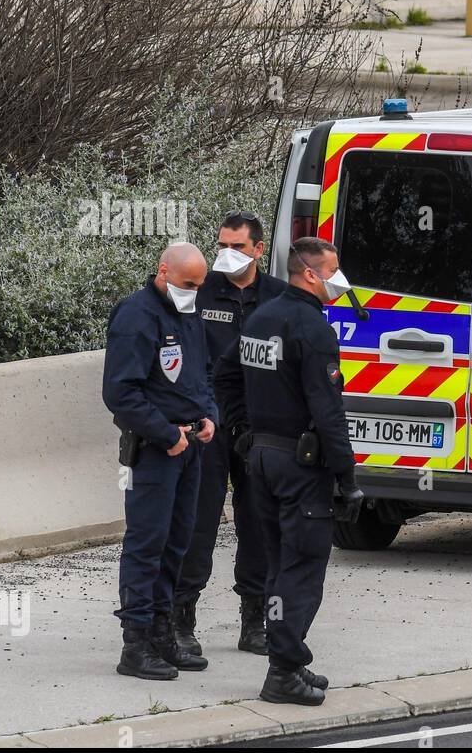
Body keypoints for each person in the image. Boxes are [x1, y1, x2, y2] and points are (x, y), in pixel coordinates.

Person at [214, 236, 363, 705]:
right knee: (301, 566)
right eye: (332, 271)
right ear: (310, 274)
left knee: (279, 562)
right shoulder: (312, 329)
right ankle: (282, 671)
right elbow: (328, 410)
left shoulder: (261, 317)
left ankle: (290, 661)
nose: (339, 280)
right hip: (301, 468)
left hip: (262, 459)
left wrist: (241, 427)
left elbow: (224, 373)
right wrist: (347, 477)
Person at [173, 211, 286, 659]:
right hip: (208, 423)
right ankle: (182, 617)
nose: (228, 254)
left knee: (257, 521)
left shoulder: (279, 297)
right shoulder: (199, 294)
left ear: (259, 249)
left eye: (237, 247)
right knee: (198, 520)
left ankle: (254, 621)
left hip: (259, 424)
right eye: (222, 245)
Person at [103, 242, 217, 680]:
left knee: (177, 543)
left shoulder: (189, 313)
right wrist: (167, 434)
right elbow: (121, 393)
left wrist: (209, 418)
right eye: (188, 284)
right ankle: (136, 642)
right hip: (155, 449)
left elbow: (202, 375)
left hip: (190, 447)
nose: (194, 292)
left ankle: (162, 632)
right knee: (147, 544)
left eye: (199, 286)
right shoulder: (137, 316)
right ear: (163, 271)